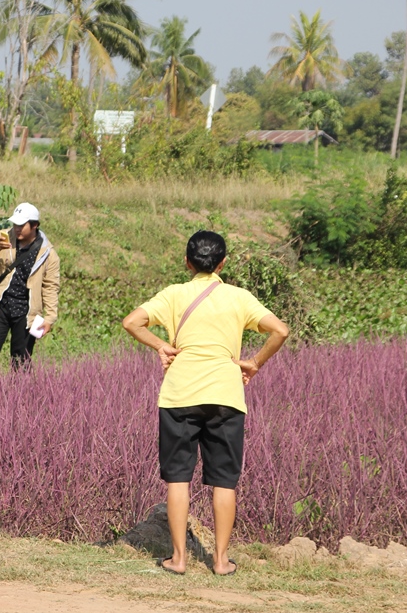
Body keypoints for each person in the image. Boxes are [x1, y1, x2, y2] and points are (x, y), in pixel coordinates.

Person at [121, 231, 289, 576]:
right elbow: (281, 331)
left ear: (187, 261)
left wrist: (160, 346)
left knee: (178, 478)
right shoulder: (239, 297)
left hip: (180, 395)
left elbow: (131, 321)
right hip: (226, 396)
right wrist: (254, 362)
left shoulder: (174, 295)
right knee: (224, 481)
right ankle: (221, 560)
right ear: (223, 263)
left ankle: (179, 559)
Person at [0, 202, 60, 372]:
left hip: (27, 311)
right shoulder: (3, 237)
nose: (17, 229)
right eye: (15, 224)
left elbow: (50, 287)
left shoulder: (48, 253)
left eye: (22, 225)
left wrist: (49, 318)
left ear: (34, 225)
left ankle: (19, 397)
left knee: (21, 360)